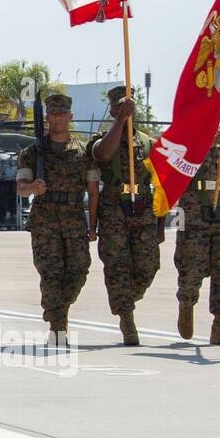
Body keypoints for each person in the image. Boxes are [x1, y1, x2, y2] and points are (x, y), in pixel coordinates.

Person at [16, 94, 99, 345]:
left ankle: (57, 309)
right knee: (51, 273)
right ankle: (58, 324)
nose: (58, 118)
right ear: (48, 117)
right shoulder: (32, 152)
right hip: (46, 219)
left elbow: (93, 191)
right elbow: (20, 187)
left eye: (63, 114)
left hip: (74, 217)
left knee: (79, 270)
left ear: (70, 117)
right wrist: (33, 188)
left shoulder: (85, 152)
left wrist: (93, 226)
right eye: (53, 114)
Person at [88, 86, 163, 345]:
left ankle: (126, 300)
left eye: (129, 106)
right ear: (112, 110)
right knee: (117, 266)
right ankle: (127, 317)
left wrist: (161, 223)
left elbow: (161, 180)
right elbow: (103, 154)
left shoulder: (146, 141)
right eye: (120, 106)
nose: (126, 110)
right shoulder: (102, 138)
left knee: (149, 265)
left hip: (143, 206)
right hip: (114, 207)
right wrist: (120, 121)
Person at [174, 130, 220, 344]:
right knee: (190, 269)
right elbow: (175, 174)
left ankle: (219, 324)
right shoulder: (186, 147)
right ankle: (186, 304)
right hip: (192, 217)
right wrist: (205, 141)